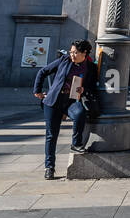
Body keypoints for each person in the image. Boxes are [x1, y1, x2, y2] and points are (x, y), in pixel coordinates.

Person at [33, 40, 99, 179]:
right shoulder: (64, 60)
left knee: (80, 113)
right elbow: (43, 71)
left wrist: (84, 89)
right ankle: (49, 167)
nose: (72, 55)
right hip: (54, 101)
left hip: (71, 101)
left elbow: (92, 86)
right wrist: (37, 90)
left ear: (84, 53)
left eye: (75, 52)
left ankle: (76, 144)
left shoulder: (91, 67)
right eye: (71, 52)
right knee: (52, 135)